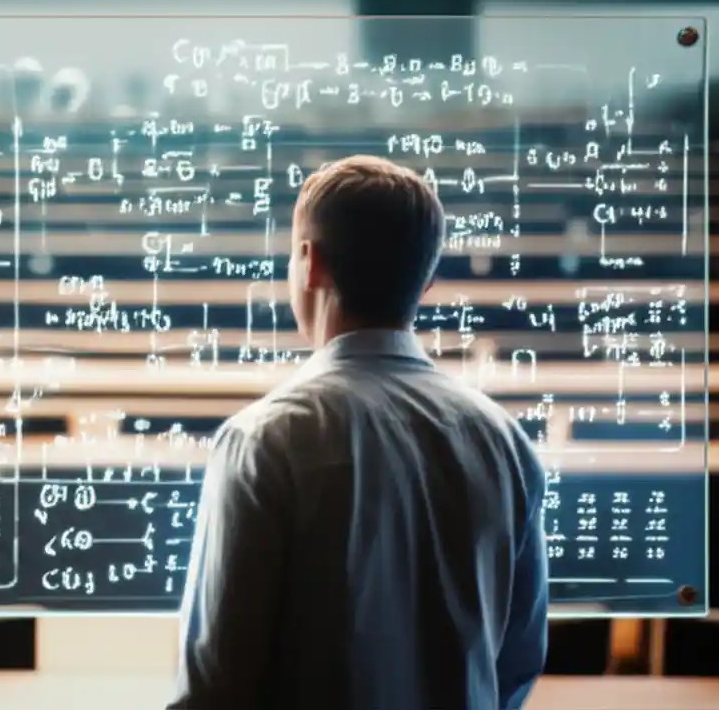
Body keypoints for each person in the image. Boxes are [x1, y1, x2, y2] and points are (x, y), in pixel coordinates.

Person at [168, 155, 549, 709]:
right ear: (426, 276)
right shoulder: (504, 441)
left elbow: (215, 687)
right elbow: (516, 666)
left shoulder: (263, 442)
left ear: (309, 260)